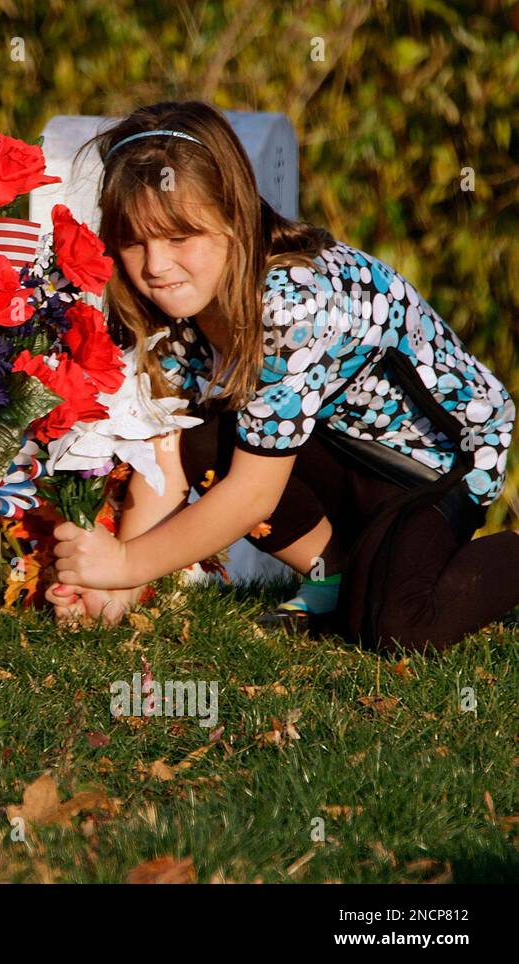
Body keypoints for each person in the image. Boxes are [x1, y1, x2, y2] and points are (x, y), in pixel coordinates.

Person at [45, 100, 519, 654]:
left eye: (179, 238)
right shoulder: (177, 311)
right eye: (134, 242)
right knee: (201, 432)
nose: (155, 265)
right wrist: (120, 584)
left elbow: (250, 496)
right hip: (339, 446)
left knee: (396, 627)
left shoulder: (294, 306)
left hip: (436, 460)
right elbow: (170, 459)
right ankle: (335, 572)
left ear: (234, 216)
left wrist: (125, 561)